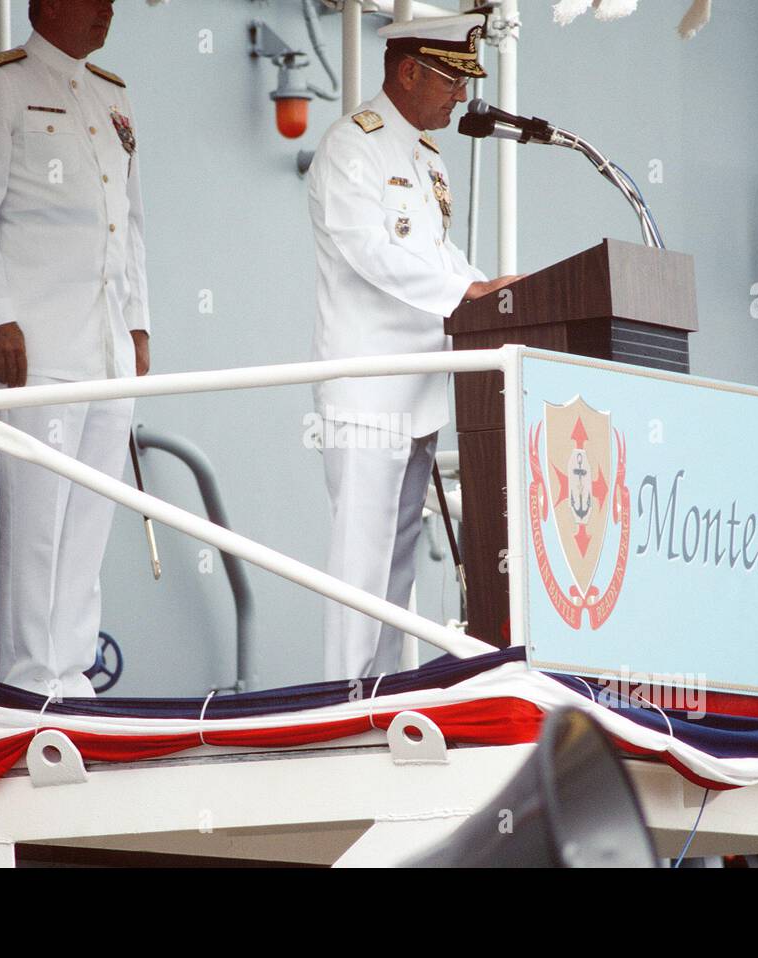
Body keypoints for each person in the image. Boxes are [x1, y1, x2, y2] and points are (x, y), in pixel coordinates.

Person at [0, 0, 150, 698]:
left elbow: (131, 222)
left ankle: (72, 673)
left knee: (89, 520)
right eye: (93, 1)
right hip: (36, 344)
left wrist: (139, 322)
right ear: (48, 5)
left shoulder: (112, 94)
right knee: (35, 524)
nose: (107, 12)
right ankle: (30, 682)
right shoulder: (0, 85)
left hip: (105, 343)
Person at [307, 12, 520, 680]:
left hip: (419, 390)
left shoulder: (425, 160)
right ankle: (344, 699)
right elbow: (368, 251)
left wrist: (487, 288)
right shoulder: (352, 147)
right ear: (408, 70)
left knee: (397, 557)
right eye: (452, 80)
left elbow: (437, 255)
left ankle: (380, 692)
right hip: (369, 389)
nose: (460, 97)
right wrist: (467, 295)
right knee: (360, 563)